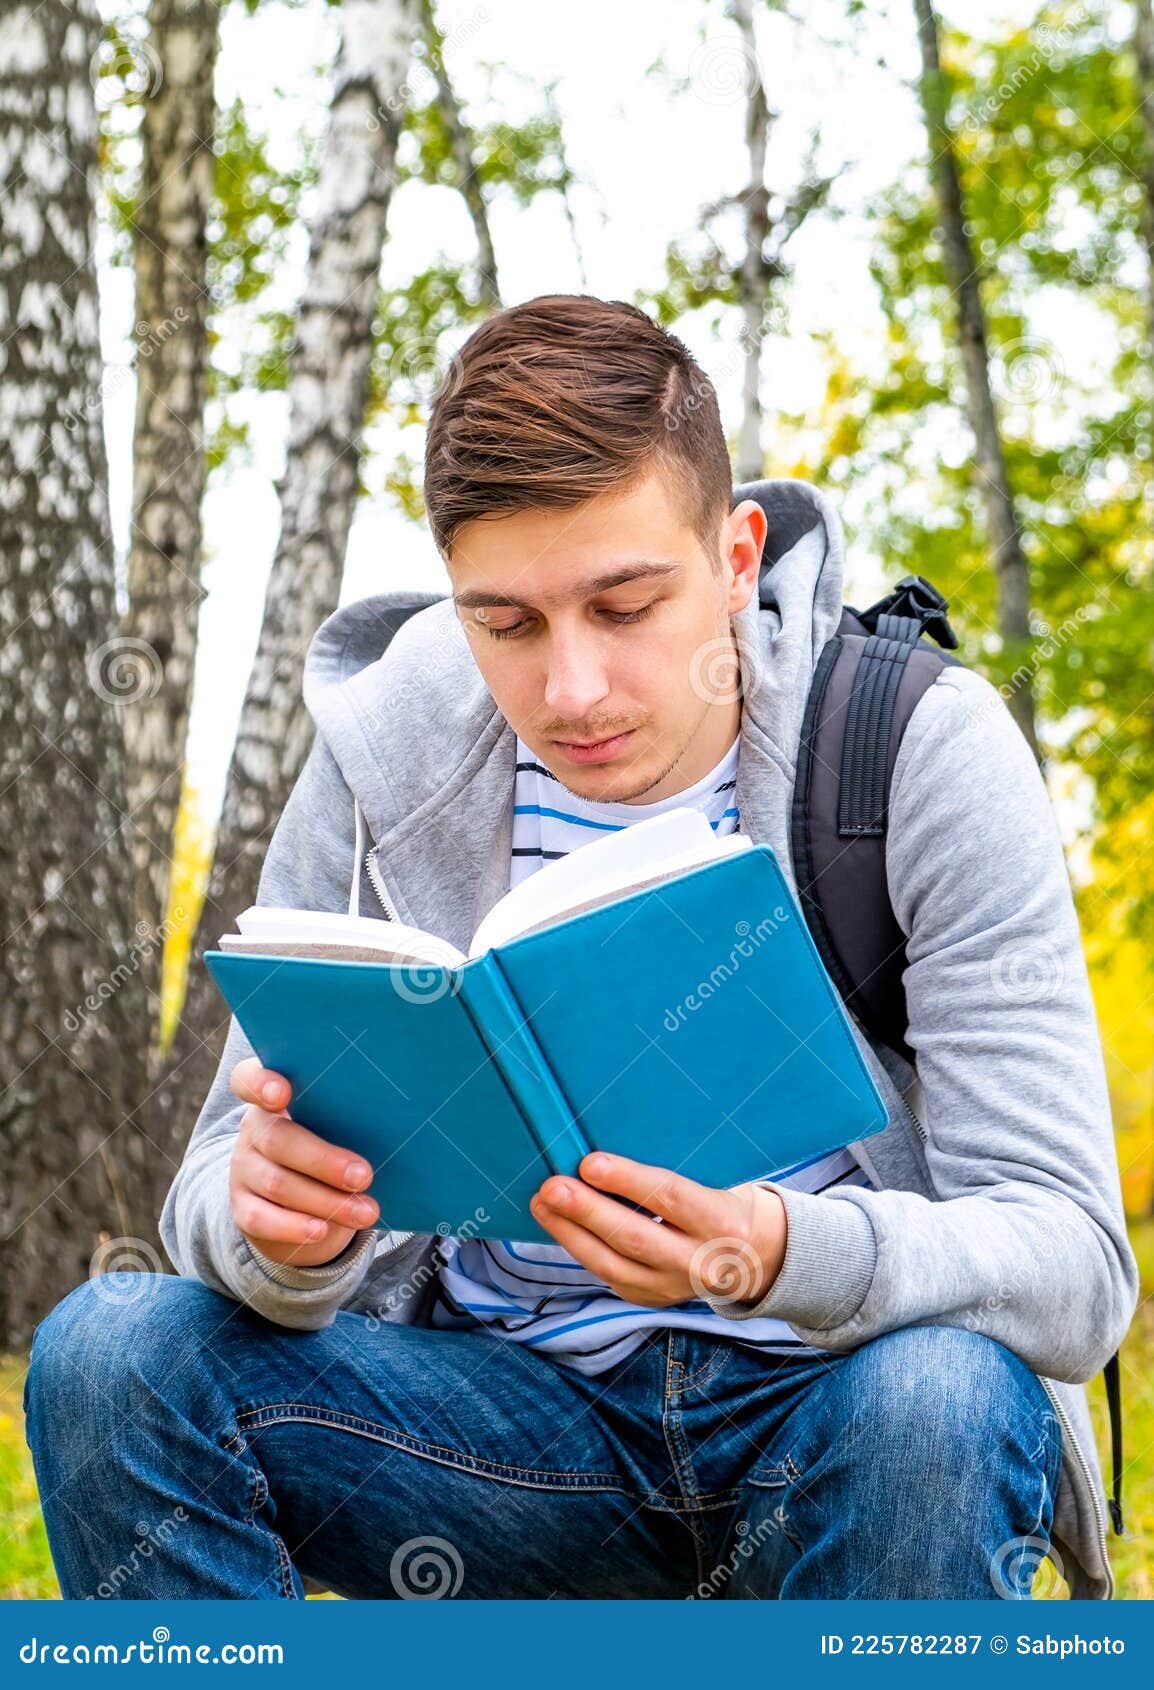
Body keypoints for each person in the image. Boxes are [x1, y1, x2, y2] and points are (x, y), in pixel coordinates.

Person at [25, 295, 1136, 1601]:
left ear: (734, 556)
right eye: (505, 623)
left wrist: (781, 1250)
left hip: (844, 1419)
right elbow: (217, 1180)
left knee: (938, 1397)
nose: (572, 690)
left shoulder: (915, 750)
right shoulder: (380, 762)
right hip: (497, 1434)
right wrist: (281, 1228)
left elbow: (1071, 1263)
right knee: (111, 1348)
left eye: (624, 604)